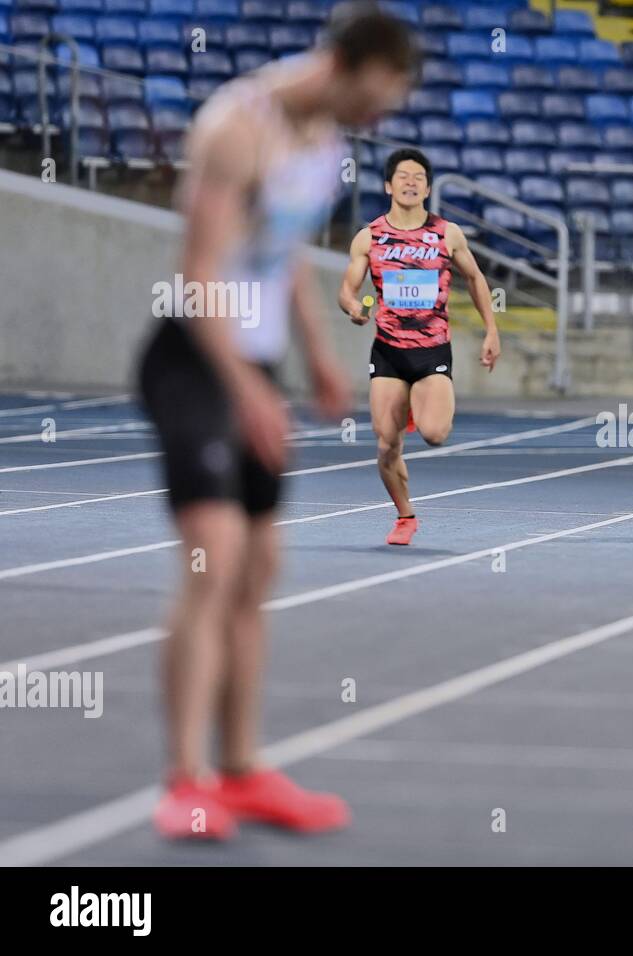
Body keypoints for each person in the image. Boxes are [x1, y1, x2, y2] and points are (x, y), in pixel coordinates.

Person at [135, 3, 415, 839]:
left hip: (251, 370)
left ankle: (243, 769)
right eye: (381, 93)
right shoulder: (237, 125)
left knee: (257, 572)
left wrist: (316, 356)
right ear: (346, 62)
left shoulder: (325, 145)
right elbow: (196, 274)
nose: (383, 117)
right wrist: (246, 389)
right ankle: (184, 780)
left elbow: (285, 254)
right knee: (211, 565)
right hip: (193, 362)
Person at [338, 146, 500, 546]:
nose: (411, 182)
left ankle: (415, 406)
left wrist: (491, 331)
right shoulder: (369, 237)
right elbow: (347, 289)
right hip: (389, 352)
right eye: (403, 176)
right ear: (389, 185)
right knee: (386, 443)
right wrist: (354, 308)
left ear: (427, 188)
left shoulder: (446, 234)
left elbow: (477, 279)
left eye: (419, 178)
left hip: (431, 352)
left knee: (434, 434)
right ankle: (405, 515)